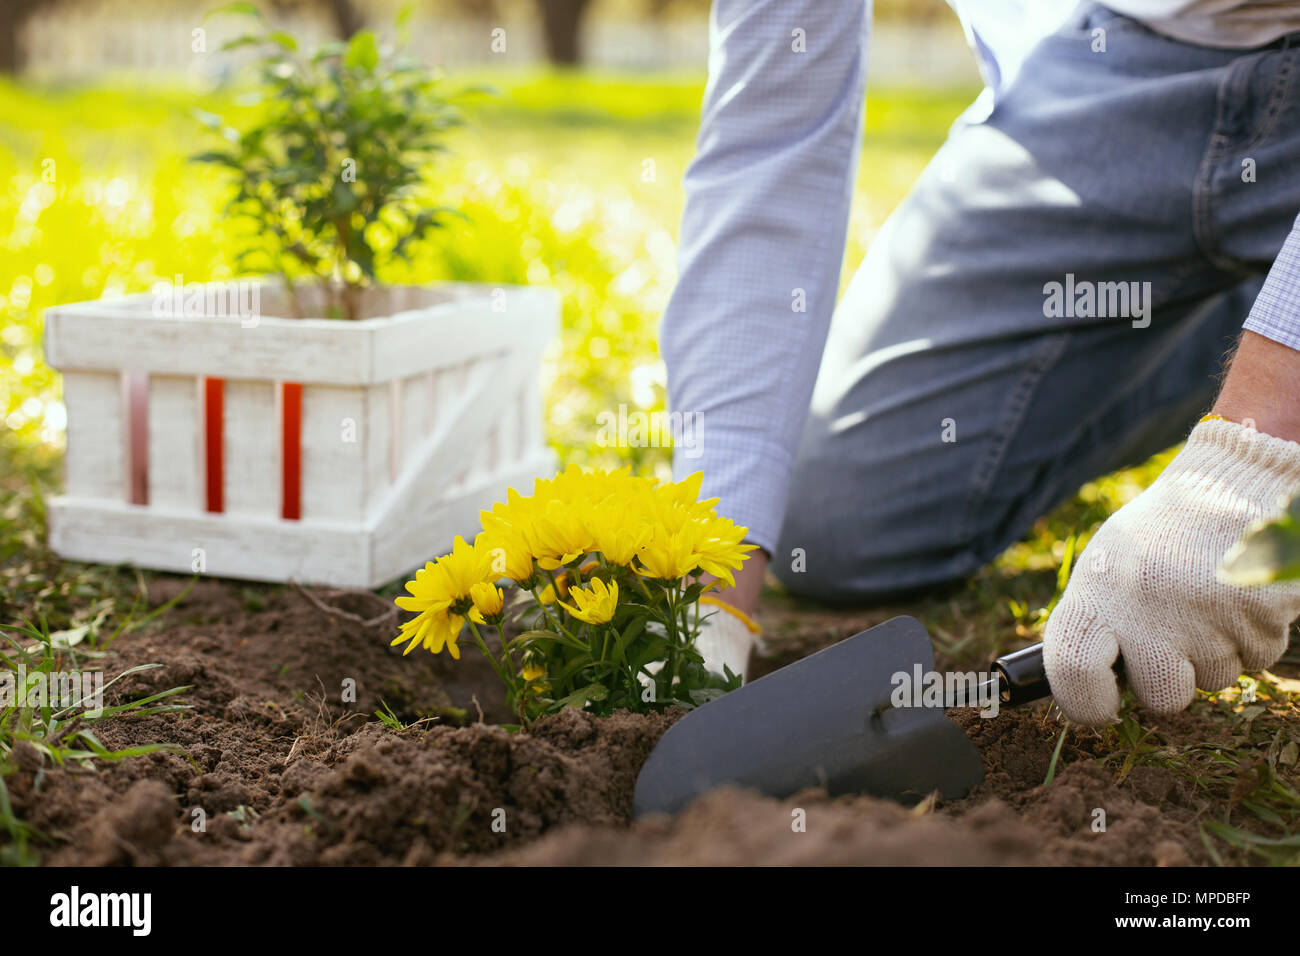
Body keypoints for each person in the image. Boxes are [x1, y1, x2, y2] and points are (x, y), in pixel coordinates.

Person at [659, 0, 1300, 724]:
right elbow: (768, 140)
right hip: (1112, 65)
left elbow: (1254, 456)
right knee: (838, 519)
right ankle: (1252, 318)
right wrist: (714, 588)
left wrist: (1252, 456)